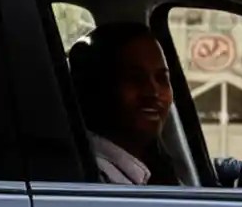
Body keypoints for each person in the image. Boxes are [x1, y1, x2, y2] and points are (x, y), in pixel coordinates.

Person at [68, 22, 181, 186]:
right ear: (97, 88)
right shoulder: (93, 176)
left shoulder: (149, 166)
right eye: (136, 78)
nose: (154, 92)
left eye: (161, 78)